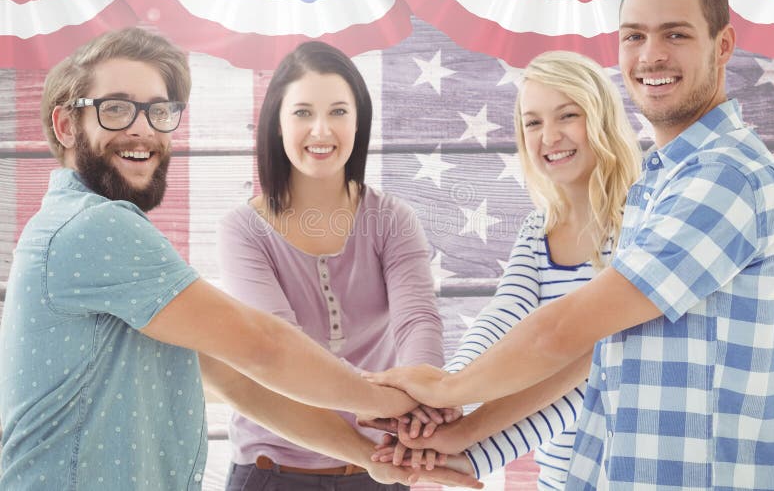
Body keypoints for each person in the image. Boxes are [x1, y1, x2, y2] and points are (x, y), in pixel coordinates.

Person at [366, 0, 774, 489]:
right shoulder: (660, 186)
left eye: (676, 34)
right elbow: (580, 351)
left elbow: (564, 335)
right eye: (634, 36)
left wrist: (444, 392)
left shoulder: (724, 177)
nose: (651, 55)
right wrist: (460, 435)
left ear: (724, 45)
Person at [0, 27, 481, 490]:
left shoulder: (99, 234)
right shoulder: (94, 227)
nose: (142, 128)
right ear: (66, 125)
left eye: (159, 110)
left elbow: (237, 381)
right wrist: (395, 403)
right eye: (116, 109)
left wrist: (366, 456)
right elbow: (265, 347)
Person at [372, 51, 641, 489]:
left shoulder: (639, 225)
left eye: (567, 115)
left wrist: (470, 448)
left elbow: (591, 367)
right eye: (532, 122)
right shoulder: (538, 231)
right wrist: (448, 394)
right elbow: (502, 317)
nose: (549, 136)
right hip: (561, 480)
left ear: (602, 118)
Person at [213, 40, 446, 490]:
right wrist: (391, 401)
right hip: (273, 473)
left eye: (338, 112)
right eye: (303, 112)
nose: (321, 130)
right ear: (277, 123)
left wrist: (423, 397)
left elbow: (418, 321)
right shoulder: (242, 231)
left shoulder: (392, 219)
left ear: (358, 122)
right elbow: (283, 351)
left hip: (381, 469)